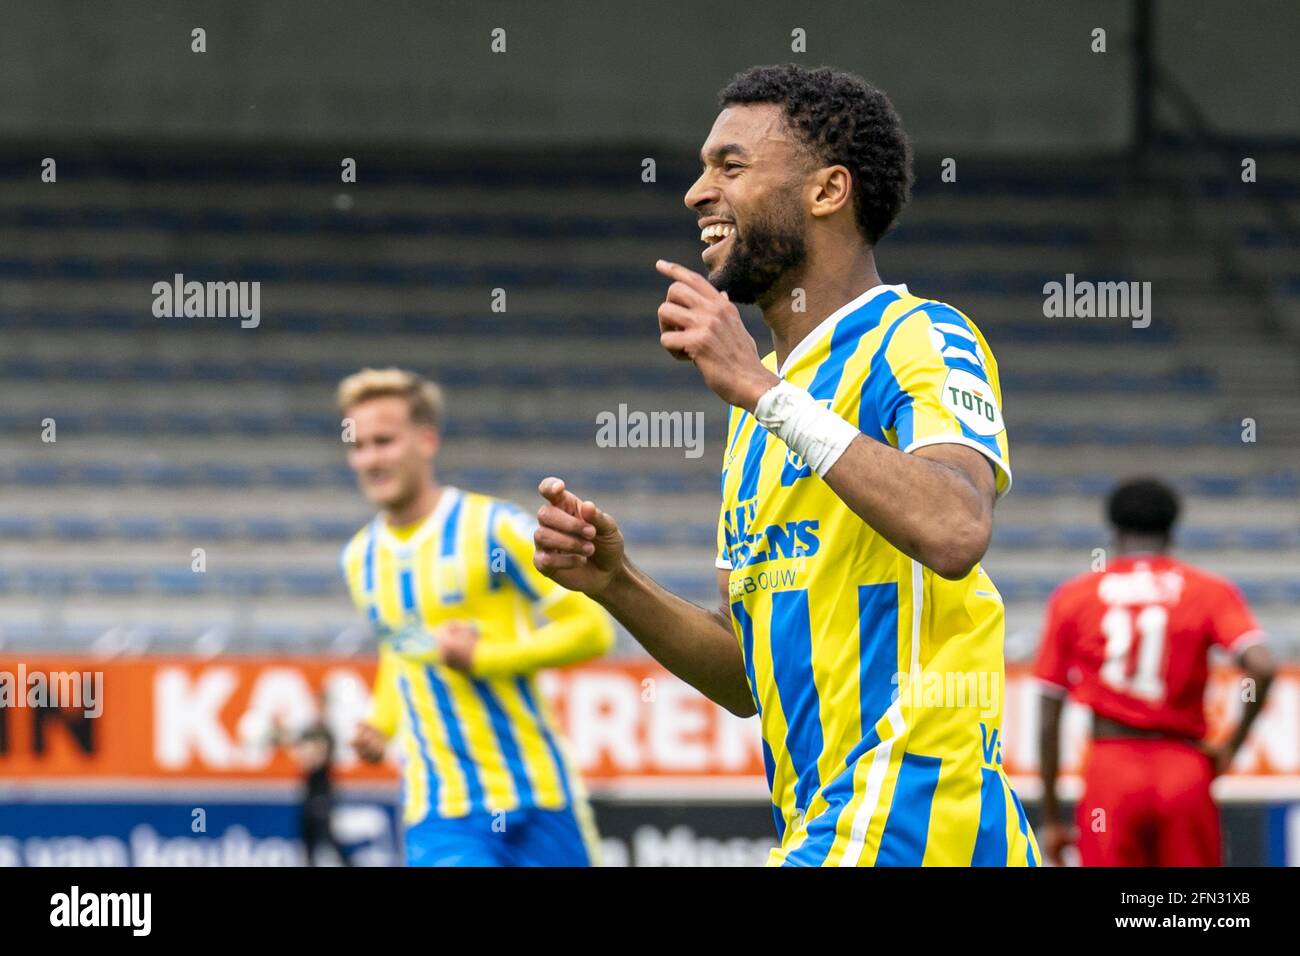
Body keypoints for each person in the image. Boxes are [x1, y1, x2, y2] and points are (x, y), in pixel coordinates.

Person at [533, 64, 1038, 866]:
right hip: (849, 822)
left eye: (729, 166)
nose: (697, 193)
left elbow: (956, 527)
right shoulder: (759, 413)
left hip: (906, 803)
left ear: (828, 191)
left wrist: (763, 391)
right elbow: (745, 677)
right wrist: (616, 584)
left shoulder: (917, 337)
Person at [338, 368, 614, 866]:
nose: (370, 459)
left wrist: (484, 657)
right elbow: (399, 648)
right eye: (358, 446)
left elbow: (592, 630)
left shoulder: (494, 527)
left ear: (425, 440)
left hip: (539, 793)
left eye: (384, 441)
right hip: (440, 809)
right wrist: (381, 723)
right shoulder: (360, 558)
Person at [1035, 477, 1276, 866]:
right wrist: (1231, 745)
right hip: (1185, 770)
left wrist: (1050, 818)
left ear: (1113, 528)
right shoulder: (1208, 590)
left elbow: (1048, 716)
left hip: (1110, 771)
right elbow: (1262, 666)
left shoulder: (1075, 596)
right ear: (1172, 528)